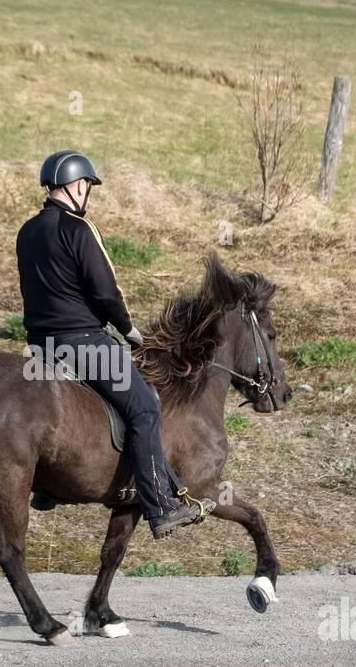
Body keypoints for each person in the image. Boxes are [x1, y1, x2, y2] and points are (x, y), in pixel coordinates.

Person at [15, 150, 213, 539]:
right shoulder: (79, 230)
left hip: (39, 347)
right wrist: (128, 330)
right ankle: (161, 505)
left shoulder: (27, 232)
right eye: (87, 186)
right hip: (84, 344)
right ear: (75, 186)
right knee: (144, 407)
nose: (87, 193)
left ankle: (48, 488)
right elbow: (106, 291)